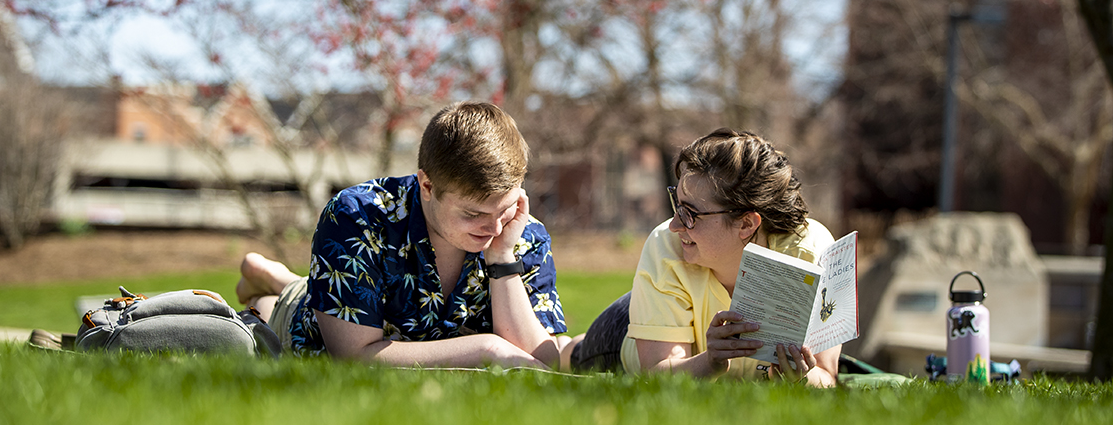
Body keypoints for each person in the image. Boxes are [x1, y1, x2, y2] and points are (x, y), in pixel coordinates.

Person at [236, 101, 569, 368]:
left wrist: (501, 259)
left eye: (505, 208)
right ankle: (271, 285)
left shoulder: (520, 232)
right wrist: (487, 349)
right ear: (427, 185)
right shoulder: (357, 217)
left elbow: (539, 362)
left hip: (389, 318)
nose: (495, 228)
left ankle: (278, 276)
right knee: (271, 307)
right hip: (310, 323)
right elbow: (353, 357)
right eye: (473, 214)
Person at [564, 129, 839, 386]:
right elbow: (655, 374)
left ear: (746, 224)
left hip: (674, 310)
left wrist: (802, 377)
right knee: (570, 356)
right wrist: (710, 361)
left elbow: (827, 377)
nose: (674, 225)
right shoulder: (666, 245)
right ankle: (565, 345)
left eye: (691, 214)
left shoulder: (813, 254)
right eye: (677, 204)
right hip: (626, 337)